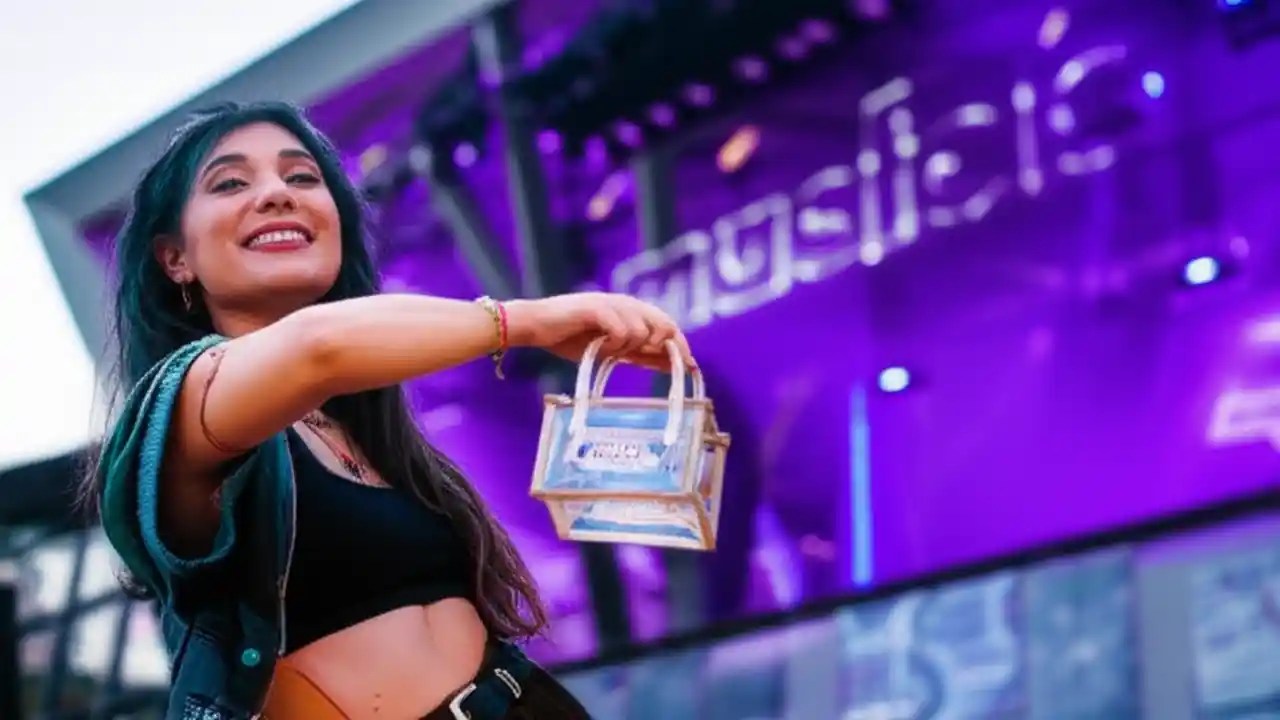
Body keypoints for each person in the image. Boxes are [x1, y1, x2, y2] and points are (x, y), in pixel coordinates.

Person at [82, 101, 694, 720]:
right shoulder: (181, 407)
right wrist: (523, 321)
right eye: (231, 182)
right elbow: (318, 348)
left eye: (302, 177)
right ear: (174, 258)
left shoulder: (362, 423)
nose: (276, 195)